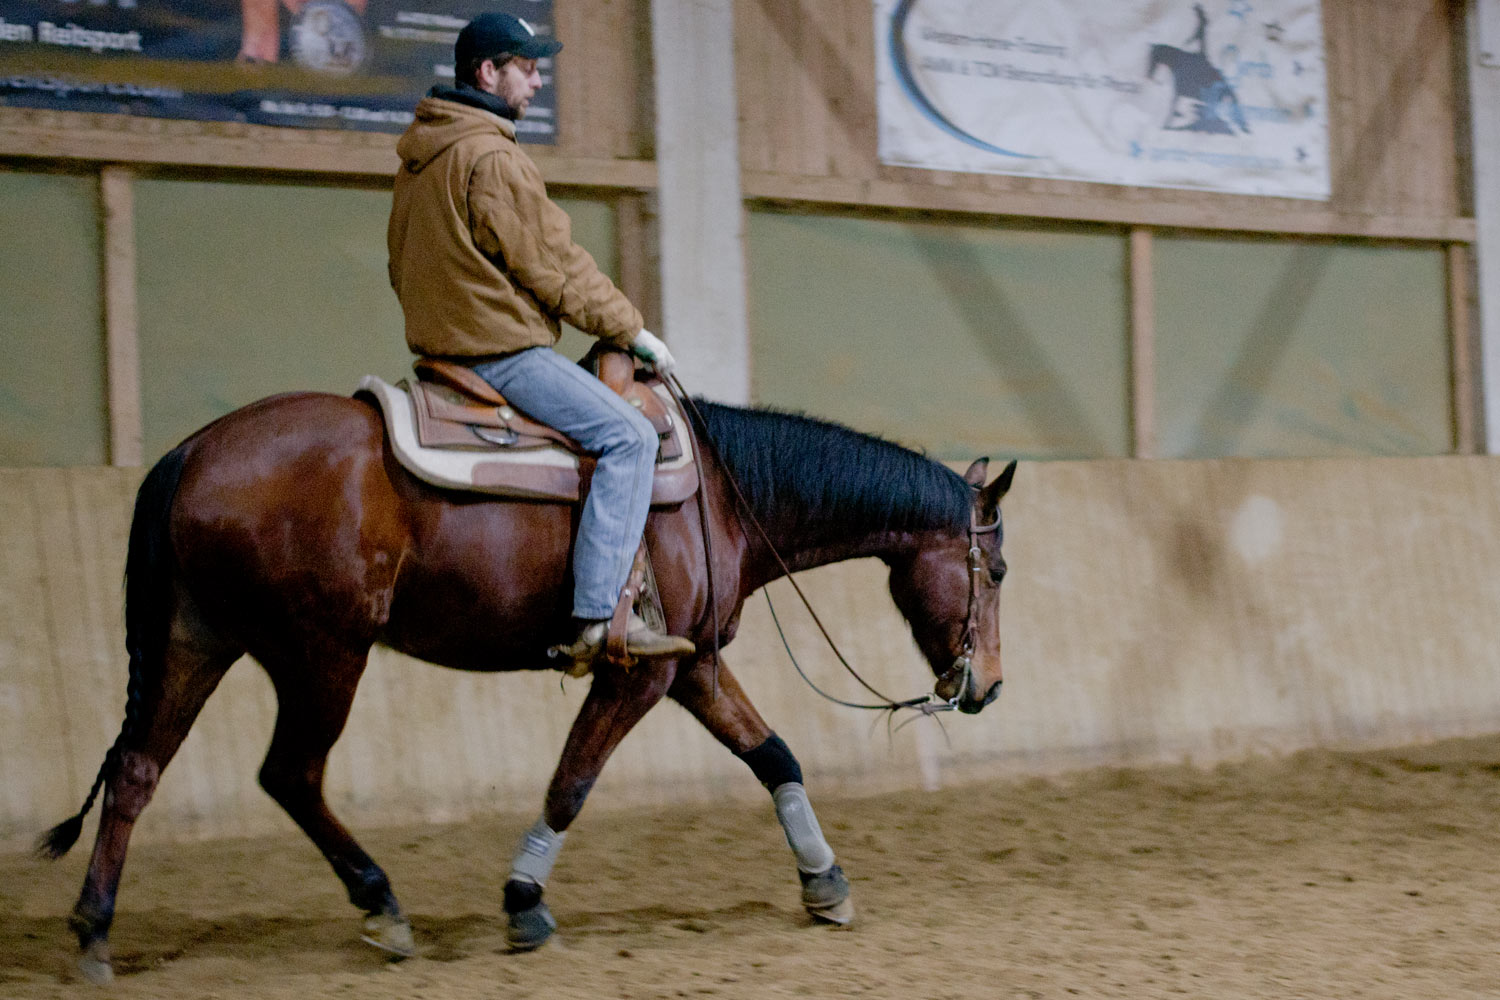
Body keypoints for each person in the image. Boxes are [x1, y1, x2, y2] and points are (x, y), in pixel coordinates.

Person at [387, 11, 695, 669]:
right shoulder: (492, 156)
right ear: (487, 72)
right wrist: (632, 330)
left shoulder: (420, 157)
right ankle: (596, 615)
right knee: (630, 437)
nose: (536, 81)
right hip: (502, 356)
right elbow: (555, 266)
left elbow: (398, 264)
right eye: (525, 68)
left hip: (442, 352)